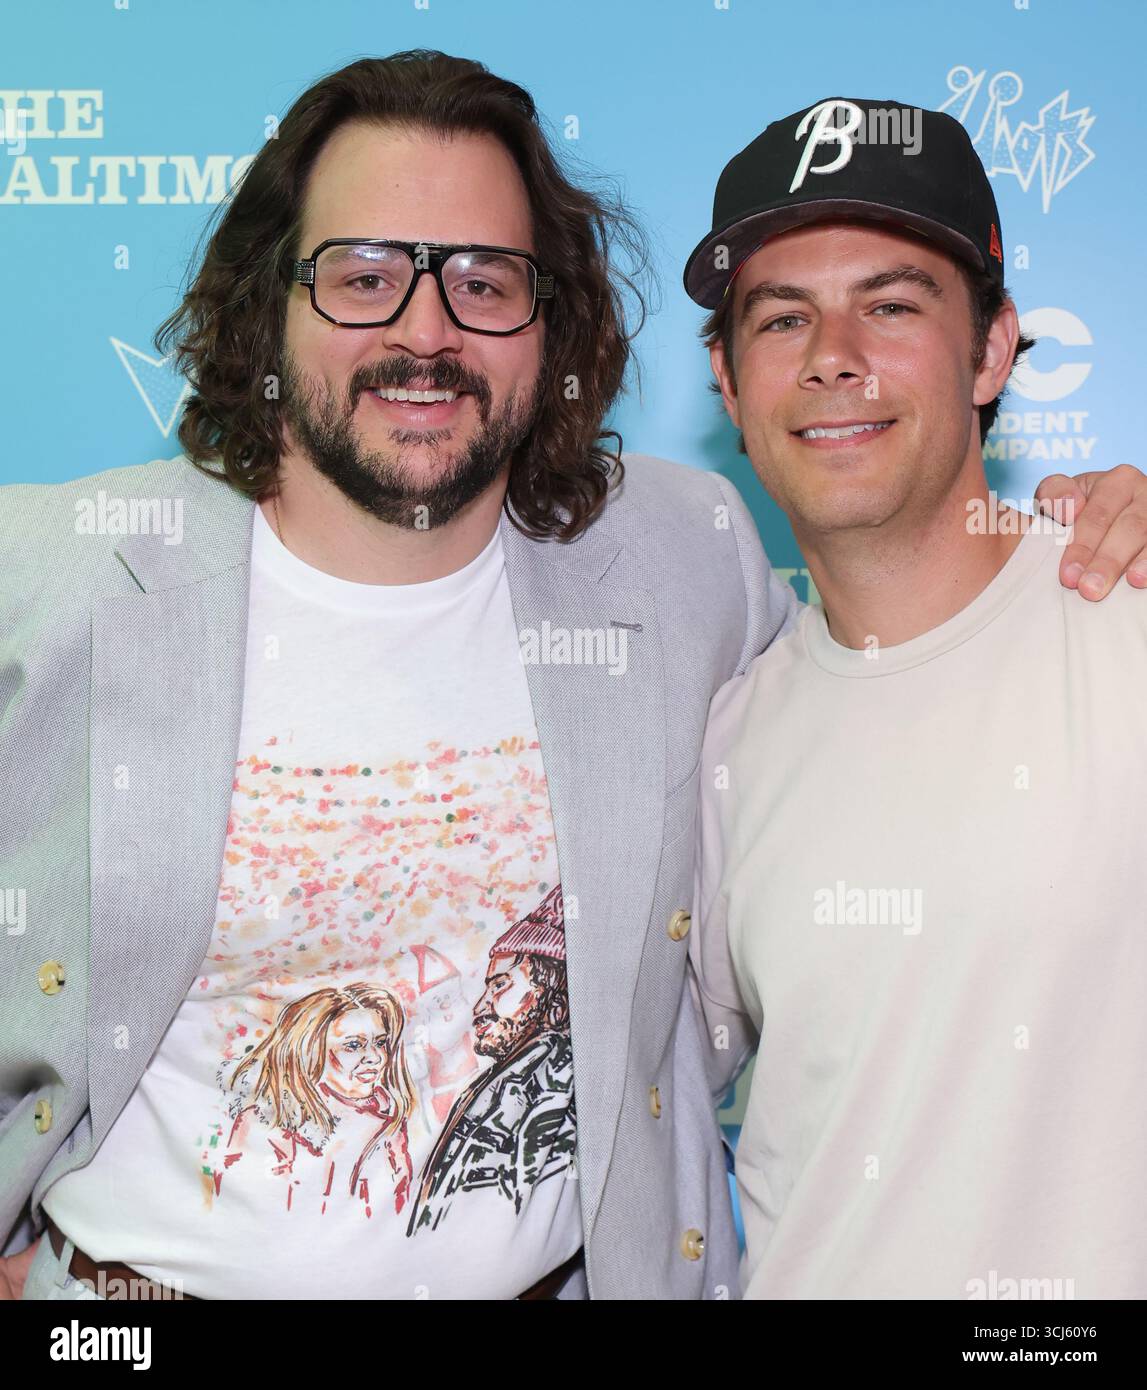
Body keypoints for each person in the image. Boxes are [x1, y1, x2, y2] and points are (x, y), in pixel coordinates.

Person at [1, 56, 1143, 1303]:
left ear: (552, 329)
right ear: (274, 303)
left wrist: (1096, 526)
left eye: (484, 283)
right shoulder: (61, 574)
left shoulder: (673, 568)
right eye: (367, 276)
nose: (423, 331)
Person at [685, 96, 1147, 1299]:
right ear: (728, 384)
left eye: (890, 306)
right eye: (782, 318)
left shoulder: (1128, 619)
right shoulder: (725, 743)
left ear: (992, 348)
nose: (833, 354)